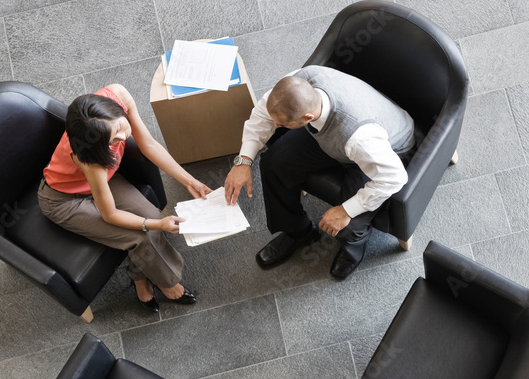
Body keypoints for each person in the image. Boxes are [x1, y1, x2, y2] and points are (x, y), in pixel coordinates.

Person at [223, 66, 414, 279]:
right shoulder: (297, 82)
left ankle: (353, 247)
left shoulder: (360, 138)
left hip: (385, 150)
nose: (275, 125)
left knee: (350, 223)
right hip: (336, 140)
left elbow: (394, 177)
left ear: (308, 116)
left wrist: (346, 210)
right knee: (273, 163)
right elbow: (263, 115)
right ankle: (298, 232)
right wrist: (243, 162)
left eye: (282, 124)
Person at [38, 84, 211, 312]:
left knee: (149, 214)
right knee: (142, 233)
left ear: (113, 109)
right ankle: (166, 283)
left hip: (105, 180)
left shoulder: (118, 95)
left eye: (120, 125)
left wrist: (190, 181)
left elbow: (148, 144)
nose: (123, 137)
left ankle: (140, 276)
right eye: (112, 141)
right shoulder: (90, 157)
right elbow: (110, 215)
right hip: (64, 200)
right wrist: (157, 224)